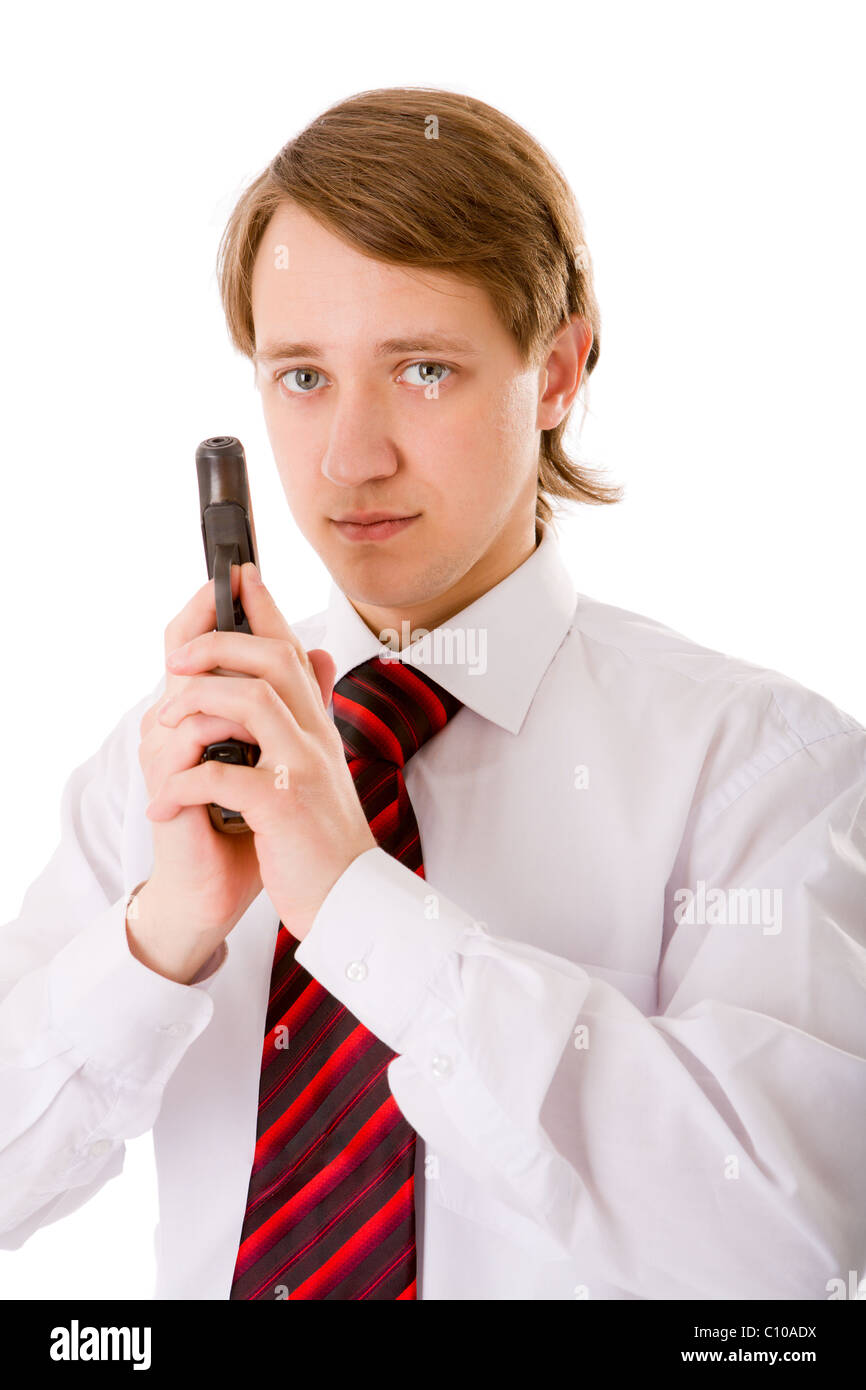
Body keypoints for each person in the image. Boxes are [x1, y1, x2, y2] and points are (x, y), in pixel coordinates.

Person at [1, 86, 864, 1302]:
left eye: (420, 368)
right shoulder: (168, 764)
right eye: (300, 377)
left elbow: (785, 1239)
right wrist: (163, 933)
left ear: (557, 368)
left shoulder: (760, 766)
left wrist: (355, 902)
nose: (351, 457)